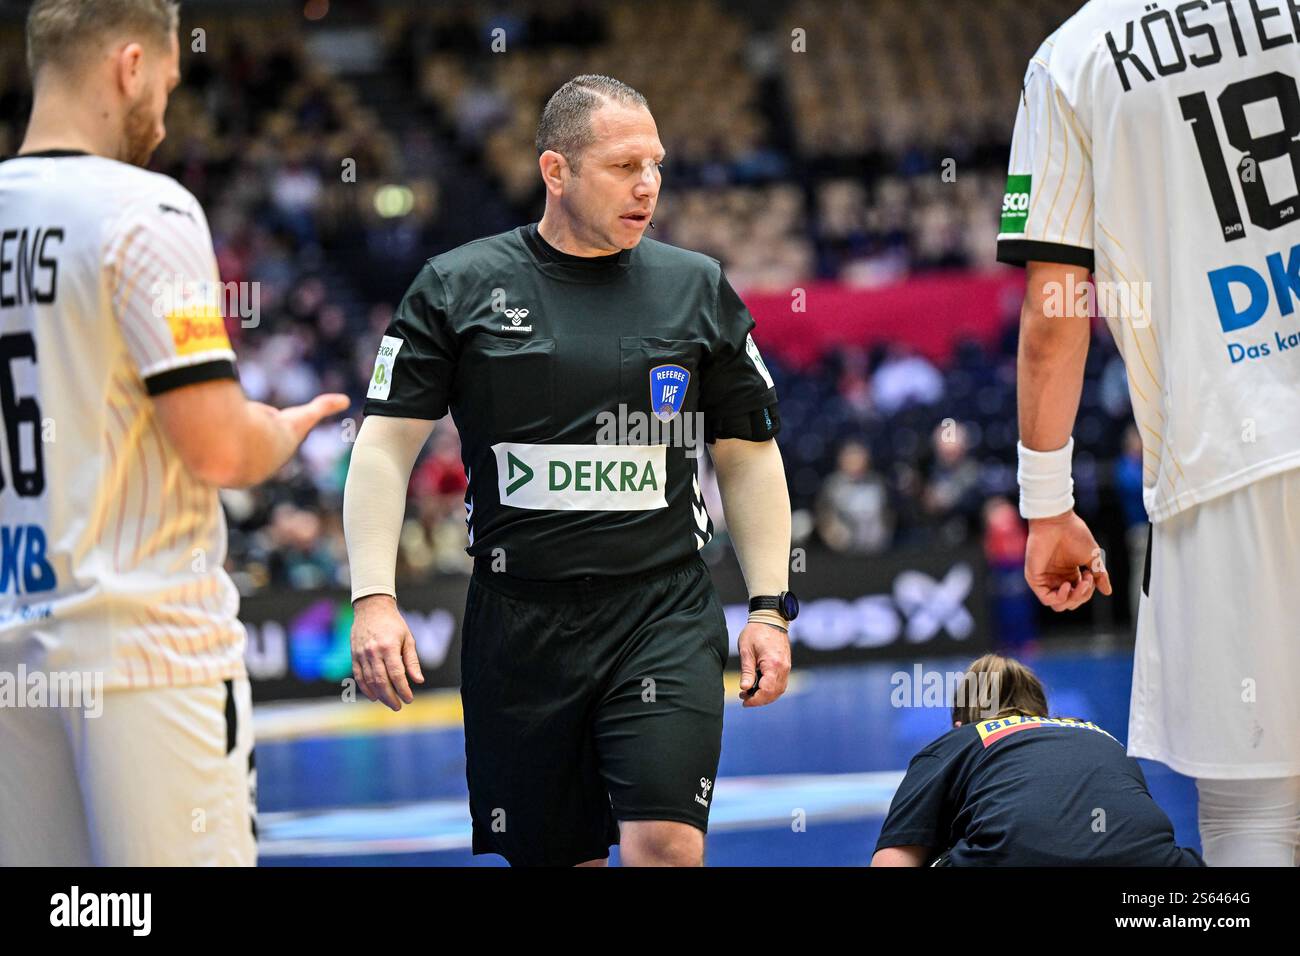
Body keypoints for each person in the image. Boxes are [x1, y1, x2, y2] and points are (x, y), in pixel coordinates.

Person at [343, 75, 795, 867]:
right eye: (624, 166)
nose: (648, 184)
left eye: (655, 164)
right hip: (519, 631)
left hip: (661, 612)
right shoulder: (457, 286)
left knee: (665, 847)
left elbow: (747, 451)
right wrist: (374, 598)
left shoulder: (695, 287)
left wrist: (768, 607)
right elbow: (384, 447)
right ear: (556, 171)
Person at [0, 0, 347, 865]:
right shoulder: (145, 212)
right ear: (129, 65)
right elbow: (219, 448)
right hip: (145, 653)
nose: (164, 106)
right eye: (167, 78)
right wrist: (283, 426)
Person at [997, 0, 1300, 865]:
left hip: (1222, 461)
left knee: (1257, 819)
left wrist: (1047, 507)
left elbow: (1058, 313)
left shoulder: (1072, 60)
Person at [872, 655, 1203, 866]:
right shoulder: (1101, 736)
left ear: (960, 722)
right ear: (1040, 714)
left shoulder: (956, 742)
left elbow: (892, 862)